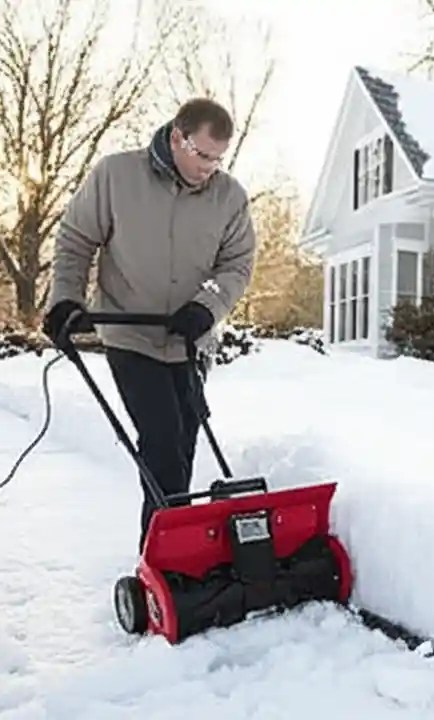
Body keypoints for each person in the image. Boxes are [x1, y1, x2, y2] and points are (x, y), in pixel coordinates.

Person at [42, 98, 256, 550]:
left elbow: (236, 266)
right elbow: (76, 240)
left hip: (190, 339)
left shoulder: (229, 197)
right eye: (202, 155)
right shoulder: (117, 176)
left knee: (183, 446)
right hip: (131, 333)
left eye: (219, 158)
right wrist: (65, 301)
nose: (210, 168)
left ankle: (174, 552)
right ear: (177, 137)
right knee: (162, 443)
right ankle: (165, 558)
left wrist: (206, 306)